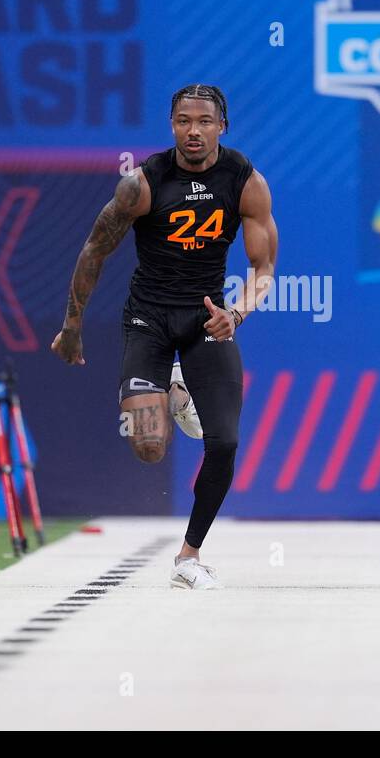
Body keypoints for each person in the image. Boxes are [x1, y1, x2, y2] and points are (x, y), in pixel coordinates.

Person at [51, 84, 279, 590]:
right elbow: (93, 250)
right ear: (171, 125)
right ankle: (174, 389)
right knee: (149, 447)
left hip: (207, 320)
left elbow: (264, 268)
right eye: (182, 121)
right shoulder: (142, 183)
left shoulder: (246, 181)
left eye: (203, 121)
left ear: (223, 125)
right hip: (148, 319)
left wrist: (236, 314)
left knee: (224, 443)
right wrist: (72, 324)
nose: (192, 130)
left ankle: (189, 557)